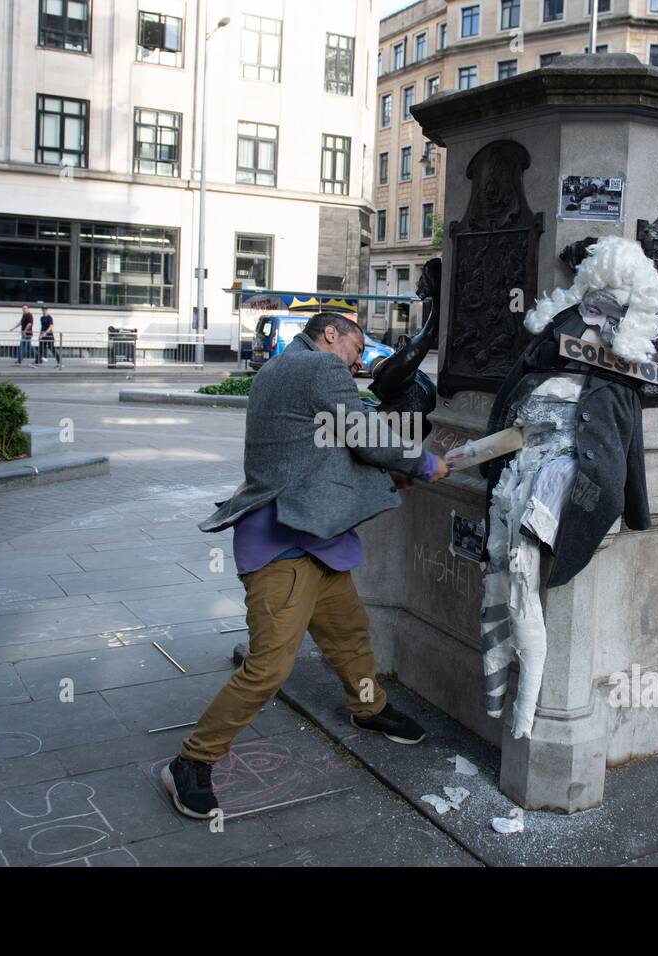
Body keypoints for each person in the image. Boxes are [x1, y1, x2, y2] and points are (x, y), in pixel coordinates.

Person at [162, 311, 450, 820]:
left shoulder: (281, 369)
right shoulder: (319, 368)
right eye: (356, 348)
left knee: (350, 637)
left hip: (317, 541)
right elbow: (363, 434)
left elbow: (318, 455)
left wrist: (387, 478)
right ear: (331, 334)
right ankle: (191, 763)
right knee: (268, 669)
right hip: (283, 549)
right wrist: (425, 465)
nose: (359, 362)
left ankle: (369, 708)